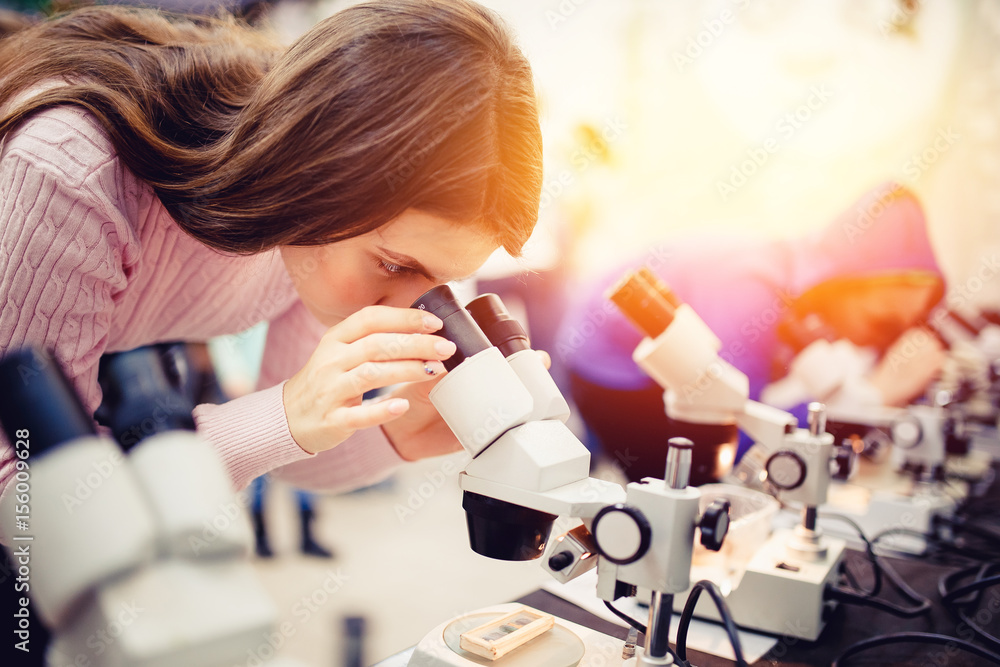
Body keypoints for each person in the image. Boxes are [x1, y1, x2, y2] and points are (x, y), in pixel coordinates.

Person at [0, 0, 542, 527]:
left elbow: (294, 451)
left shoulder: (317, 239)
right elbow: (29, 495)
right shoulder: (72, 170)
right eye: (395, 265)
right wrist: (282, 413)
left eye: (441, 283)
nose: (409, 310)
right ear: (316, 169)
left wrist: (404, 426)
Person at [558, 183, 947, 484]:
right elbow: (731, 432)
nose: (875, 342)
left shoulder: (796, 276)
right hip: (609, 370)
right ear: (850, 281)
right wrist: (873, 398)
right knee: (682, 484)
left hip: (637, 355)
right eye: (884, 325)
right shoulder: (752, 290)